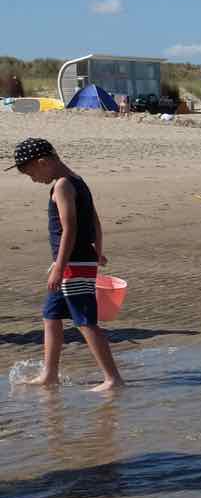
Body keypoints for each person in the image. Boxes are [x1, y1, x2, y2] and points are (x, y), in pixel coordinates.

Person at [8, 138, 124, 391]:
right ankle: (50, 374)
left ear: (43, 163)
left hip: (73, 263)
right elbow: (95, 221)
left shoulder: (62, 186)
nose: (33, 179)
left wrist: (60, 267)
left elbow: (69, 228)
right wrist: (98, 250)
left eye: (31, 173)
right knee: (50, 317)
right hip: (75, 259)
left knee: (84, 320)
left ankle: (113, 378)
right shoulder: (77, 181)